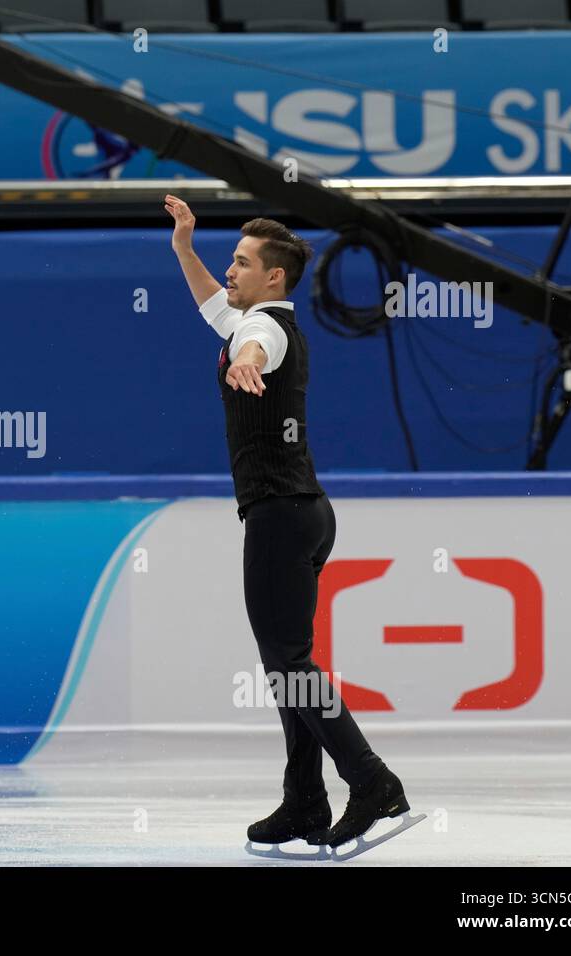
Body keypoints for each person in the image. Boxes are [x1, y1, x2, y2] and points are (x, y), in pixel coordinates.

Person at [164, 196, 412, 850]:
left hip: (279, 517)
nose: (230, 271)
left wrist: (246, 360)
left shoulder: (267, 332)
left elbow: (251, 344)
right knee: (286, 665)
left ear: (275, 277)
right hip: (303, 513)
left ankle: (372, 783)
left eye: (241, 263)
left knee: (290, 663)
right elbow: (221, 314)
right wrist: (184, 248)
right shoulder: (260, 317)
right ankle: (304, 801)